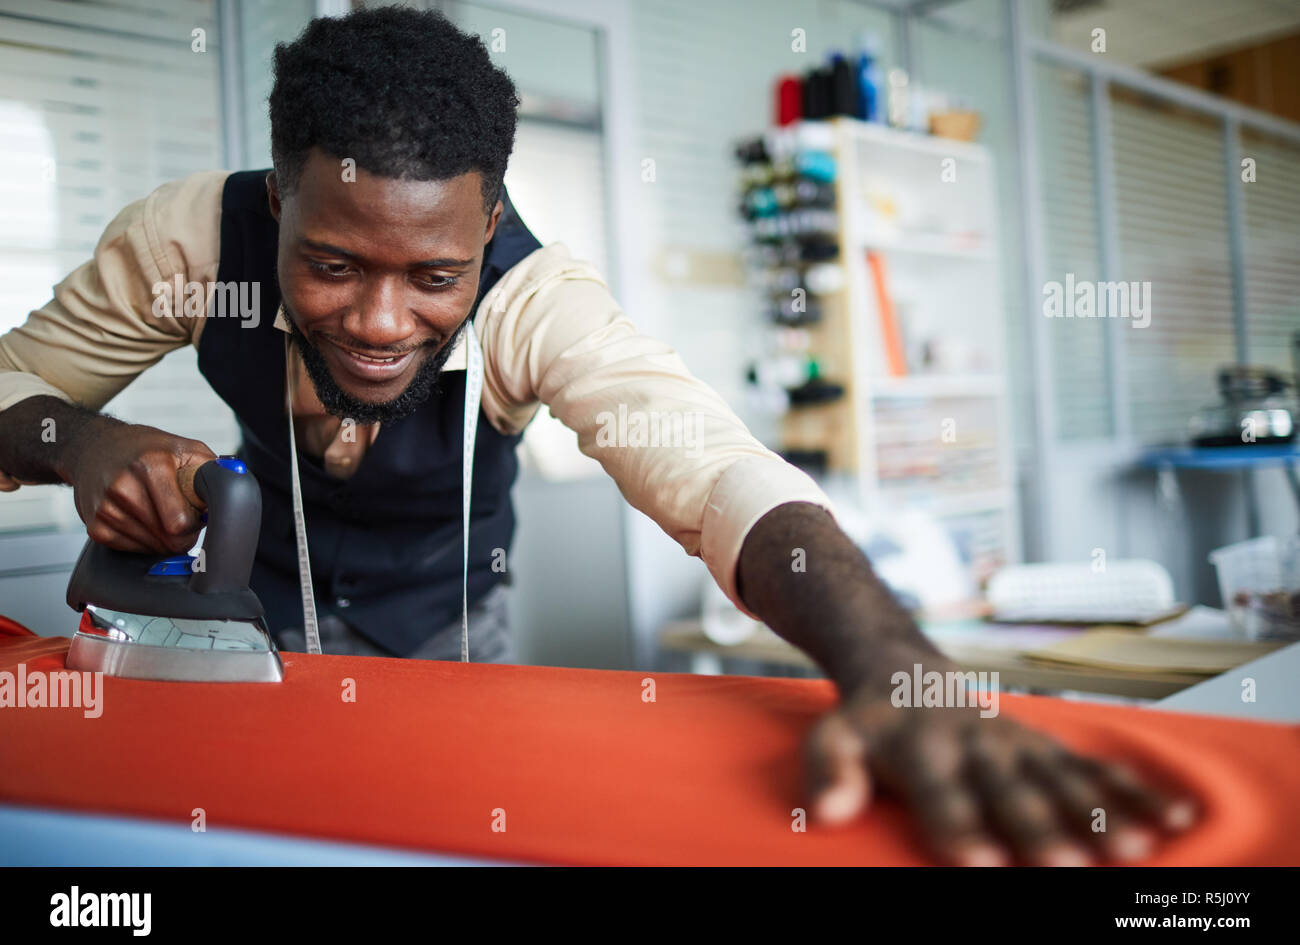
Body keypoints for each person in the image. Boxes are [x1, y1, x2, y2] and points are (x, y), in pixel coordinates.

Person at [0, 6, 1193, 865]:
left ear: (492, 223)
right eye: (330, 264)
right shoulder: (186, 245)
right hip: (249, 632)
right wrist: (75, 438)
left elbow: (720, 474)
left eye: (433, 275)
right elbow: (12, 395)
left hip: (454, 616)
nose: (378, 320)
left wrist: (889, 658)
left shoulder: (538, 301)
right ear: (277, 203)